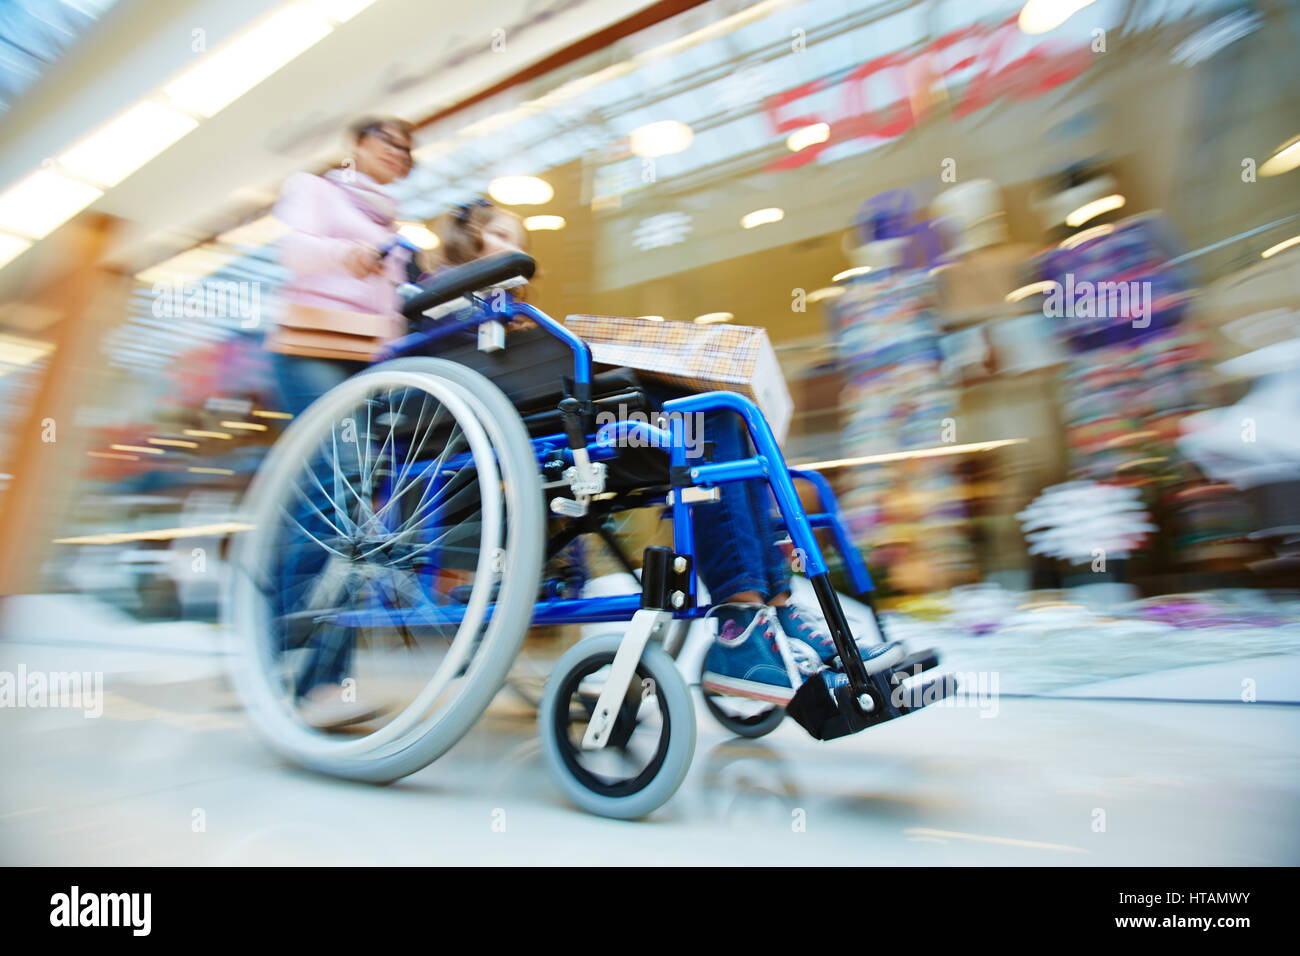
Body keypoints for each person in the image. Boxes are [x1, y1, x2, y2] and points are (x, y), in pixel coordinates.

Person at [414, 199, 900, 704]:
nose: (515, 249)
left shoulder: (512, 325)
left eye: (517, 240)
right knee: (709, 421)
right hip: (558, 438)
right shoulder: (448, 311)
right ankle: (741, 619)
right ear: (462, 239)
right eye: (499, 235)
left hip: (579, 429)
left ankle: (770, 609)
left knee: (728, 417)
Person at [267, 116, 414, 728]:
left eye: (408, 150)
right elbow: (292, 250)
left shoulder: (394, 227)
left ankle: (303, 664)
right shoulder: (316, 189)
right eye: (388, 141)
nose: (398, 155)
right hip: (310, 349)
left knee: (347, 504)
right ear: (357, 145)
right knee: (338, 485)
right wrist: (349, 254)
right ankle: (306, 672)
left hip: (364, 362)